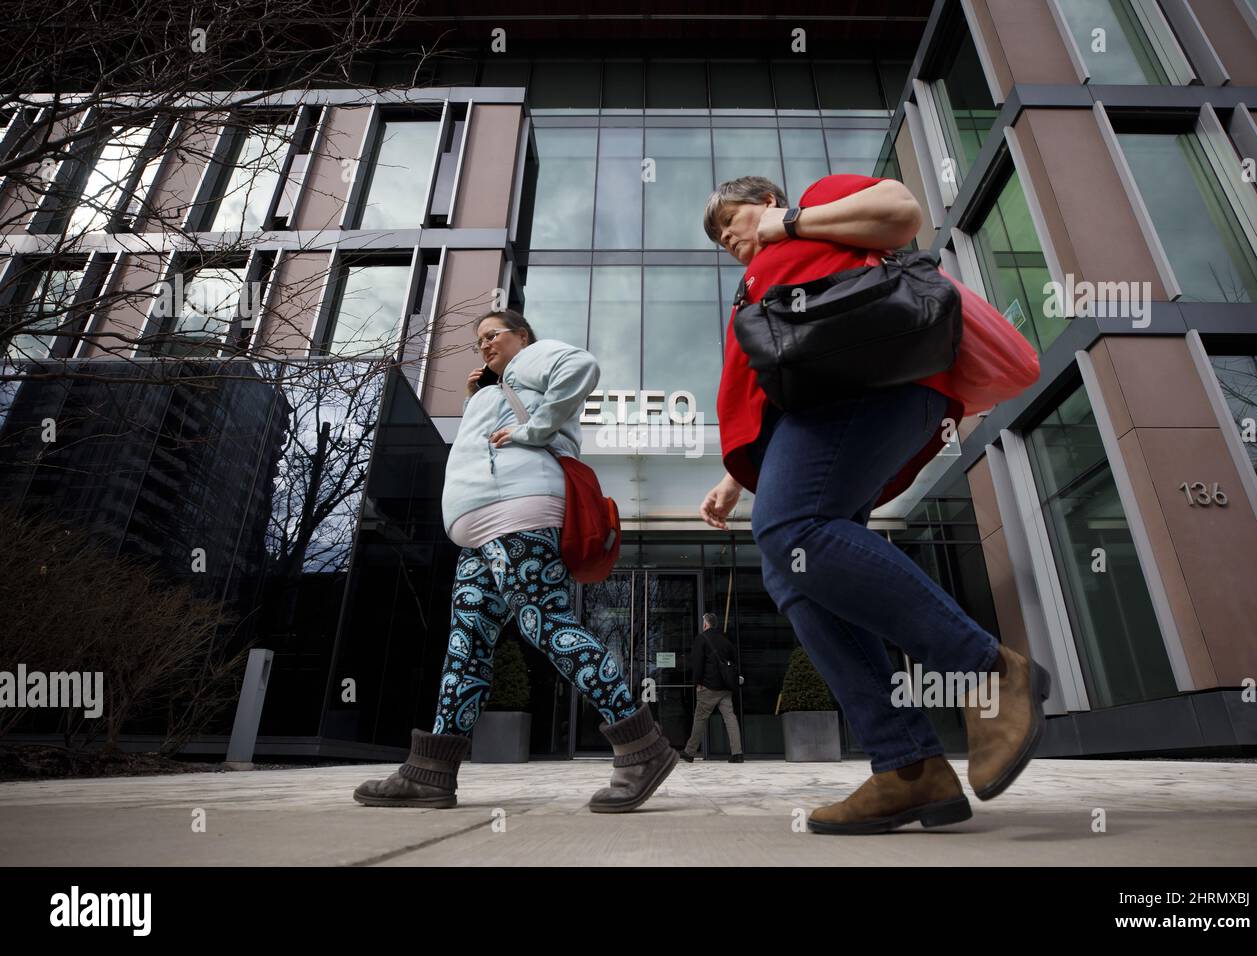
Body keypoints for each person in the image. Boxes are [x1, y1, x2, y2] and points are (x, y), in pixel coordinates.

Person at [699, 174, 1050, 835]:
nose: (726, 237)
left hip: (879, 376)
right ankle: (908, 767)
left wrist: (792, 222)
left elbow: (900, 213)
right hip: (821, 416)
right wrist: (738, 478)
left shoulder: (818, 205)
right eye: (718, 237)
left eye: (730, 220)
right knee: (795, 572)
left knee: (794, 529)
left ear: (767, 201)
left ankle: (987, 670)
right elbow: (766, 391)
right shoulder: (757, 284)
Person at [354, 309, 677, 812]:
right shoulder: (499, 387)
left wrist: (535, 429)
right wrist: (481, 399)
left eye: (493, 335)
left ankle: (642, 747)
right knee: (466, 649)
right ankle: (431, 773)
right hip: (479, 533)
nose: (484, 345)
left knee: (546, 622)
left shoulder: (531, 359)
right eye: (478, 341)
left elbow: (581, 365)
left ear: (522, 336)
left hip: (517, 514)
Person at [681, 612, 743, 763]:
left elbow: (697, 664)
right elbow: (734, 663)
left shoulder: (701, 639)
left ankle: (689, 752)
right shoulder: (726, 641)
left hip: (708, 687)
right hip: (725, 687)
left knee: (700, 719)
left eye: (703, 622)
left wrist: (697, 683)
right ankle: (737, 753)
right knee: (730, 718)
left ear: (706, 624)